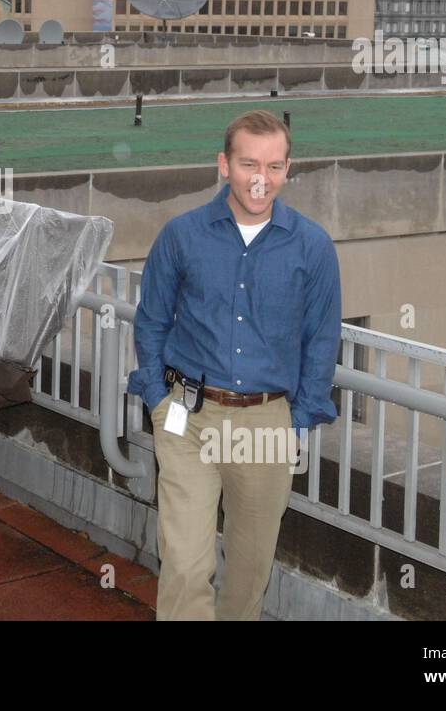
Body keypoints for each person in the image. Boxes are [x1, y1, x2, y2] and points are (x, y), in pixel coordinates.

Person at [127, 109, 341, 621]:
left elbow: (321, 339)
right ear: (224, 165)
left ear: (289, 170)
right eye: (249, 164)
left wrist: (299, 420)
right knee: (183, 561)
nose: (260, 179)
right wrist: (158, 399)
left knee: (249, 569)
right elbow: (151, 320)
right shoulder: (182, 235)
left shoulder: (312, 247)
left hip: (267, 423)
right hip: (187, 417)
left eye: (273, 166)